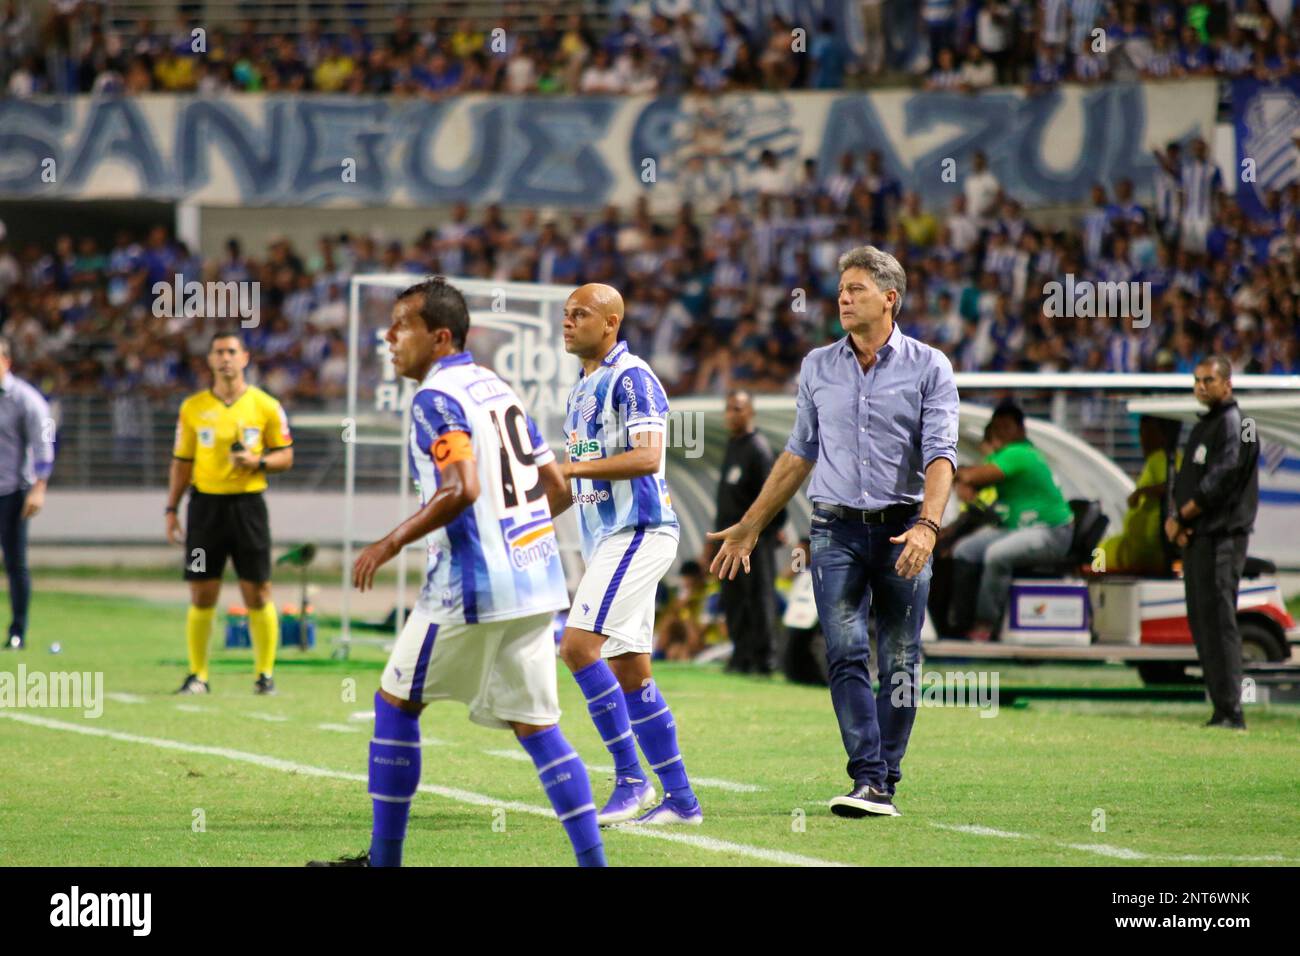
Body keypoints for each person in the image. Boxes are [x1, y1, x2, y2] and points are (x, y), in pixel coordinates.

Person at [311, 278, 605, 867]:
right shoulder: (498, 386)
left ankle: (384, 862)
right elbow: (555, 487)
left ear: (440, 336)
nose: (389, 337)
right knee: (537, 726)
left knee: (395, 703)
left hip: (472, 586)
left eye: (402, 326)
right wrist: (515, 532)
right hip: (538, 582)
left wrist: (391, 541)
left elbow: (462, 487)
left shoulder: (435, 398)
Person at [709, 245, 959, 818]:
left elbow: (942, 455)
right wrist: (750, 526)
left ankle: (883, 779)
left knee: (899, 659)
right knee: (845, 652)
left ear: (889, 298)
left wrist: (928, 525)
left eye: (857, 289)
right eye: (841, 289)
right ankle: (869, 777)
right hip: (835, 531)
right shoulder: (817, 364)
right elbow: (799, 453)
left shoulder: (930, 367)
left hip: (904, 527)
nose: (843, 298)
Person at [549, 282, 702, 827]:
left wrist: (571, 468)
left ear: (611, 322)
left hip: (639, 531)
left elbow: (647, 456)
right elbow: (574, 482)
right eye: (565, 315)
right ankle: (682, 801)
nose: (568, 323)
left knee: (576, 648)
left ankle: (632, 781)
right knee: (632, 672)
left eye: (580, 314)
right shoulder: (580, 389)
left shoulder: (632, 377)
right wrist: (524, 523)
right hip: (609, 541)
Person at [167, 332, 293, 694]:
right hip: (204, 509)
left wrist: (259, 461)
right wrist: (171, 508)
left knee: (258, 591)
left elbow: (286, 455)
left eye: (231, 352)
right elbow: (181, 461)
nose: (225, 358)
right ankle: (198, 675)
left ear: (245, 358)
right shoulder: (192, 408)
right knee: (202, 592)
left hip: (248, 507)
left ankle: (265, 675)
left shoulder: (266, 405)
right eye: (218, 351)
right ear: (209, 360)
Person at [1165, 356, 1259, 730]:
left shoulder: (1238, 424)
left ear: (1227, 384)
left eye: (1209, 380)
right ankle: (1220, 707)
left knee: (1220, 621)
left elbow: (1223, 480)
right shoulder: (1205, 424)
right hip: (1198, 537)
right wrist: (1180, 522)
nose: (1201, 386)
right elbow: (1189, 478)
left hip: (1222, 538)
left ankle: (1233, 710)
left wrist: (1183, 515)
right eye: (1197, 380)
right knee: (1202, 620)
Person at [951, 402, 1074, 641]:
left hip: (1051, 531)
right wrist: (968, 480)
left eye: (1007, 427)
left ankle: (987, 623)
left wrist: (963, 478)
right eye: (997, 427)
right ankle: (959, 622)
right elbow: (976, 478)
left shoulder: (1021, 452)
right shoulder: (1002, 456)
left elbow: (976, 475)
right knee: (964, 551)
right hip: (1017, 529)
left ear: (1021, 431)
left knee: (997, 554)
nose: (1001, 432)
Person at [706, 389, 784, 674]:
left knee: (759, 597)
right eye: (728, 409)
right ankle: (742, 656)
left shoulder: (758, 448)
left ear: (750, 411)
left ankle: (765, 660)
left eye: (737, 409)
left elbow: (773, 493)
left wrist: (773, 529)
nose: (731, 414)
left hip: (754, 541)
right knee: (734, 597)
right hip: (729, 541)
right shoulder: (733, 445)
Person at [0, 336, 55, 650]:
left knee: (15, 563)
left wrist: (40, 486)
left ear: (7, 361)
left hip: (12, 490)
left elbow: (43, 442)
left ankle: (17, 631)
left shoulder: (26, 399)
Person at [1099, 415, 1183, 574]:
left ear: (1161, 434)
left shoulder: (1162, 458)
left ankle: (1093, 583)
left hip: (1146, 549)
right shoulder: (1170, 458)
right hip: (1139, 545)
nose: (1143, 439)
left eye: (1146, 432)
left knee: (1098, 552)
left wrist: (1141, 492)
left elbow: (1175, 485)